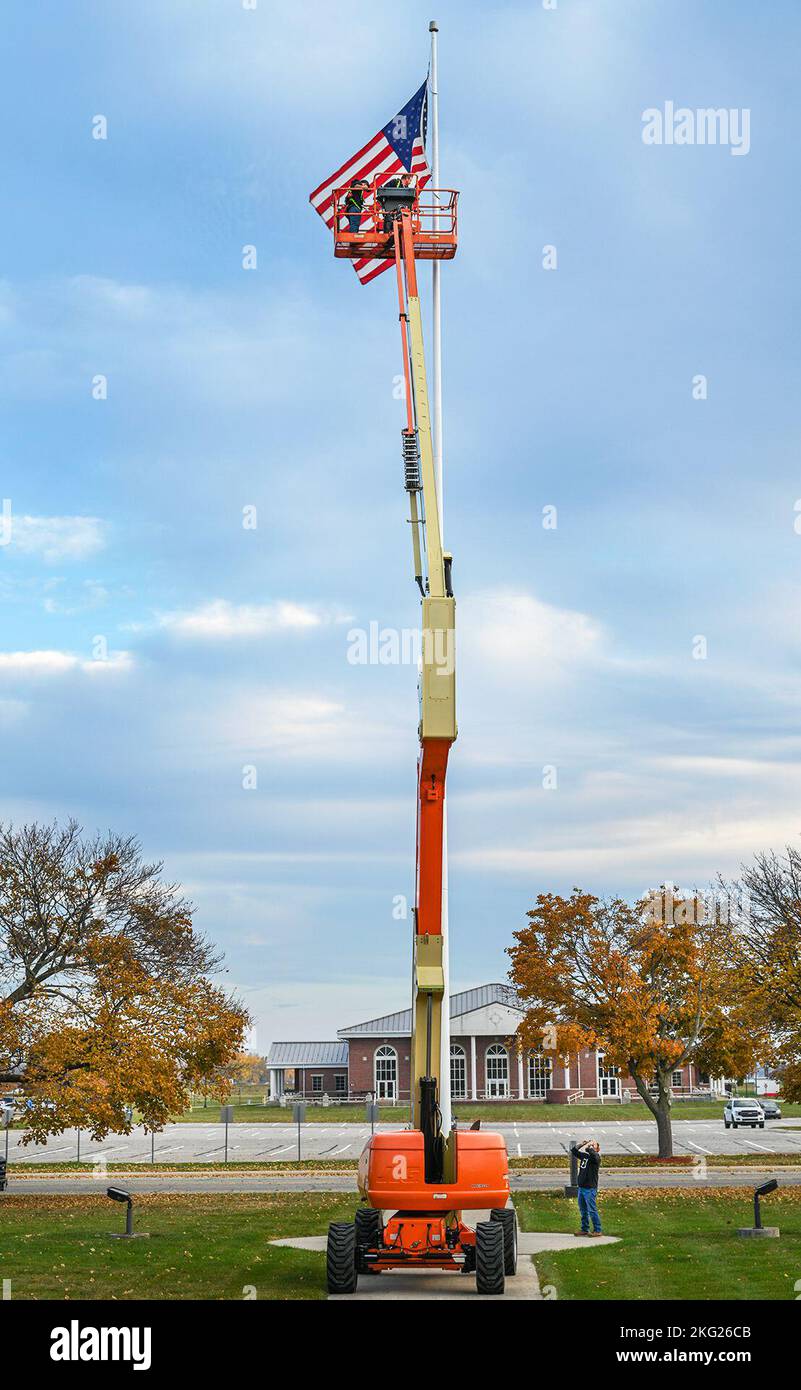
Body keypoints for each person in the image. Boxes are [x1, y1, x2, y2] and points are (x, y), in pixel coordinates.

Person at [571, 1138, 602, 1236]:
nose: (591, 1146)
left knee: (592, 1210)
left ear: (597, 1149)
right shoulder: (585, 1157)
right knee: (583, 1210)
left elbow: (594, 1156)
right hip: (582, 1188)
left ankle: (597, 1230)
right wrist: (582, 1144)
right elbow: (574, 1151)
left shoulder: (596, 1158)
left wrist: (590, 1147)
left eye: (594, 1146)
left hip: (590, 1189)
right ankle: (584, 1229)